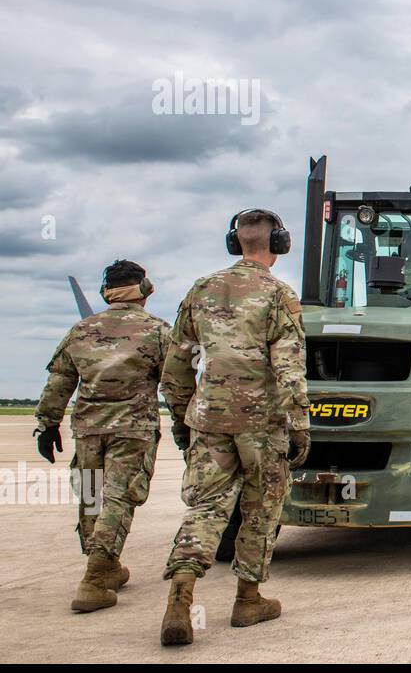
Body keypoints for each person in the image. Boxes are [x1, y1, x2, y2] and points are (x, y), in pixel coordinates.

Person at [158, 209, 311, 647]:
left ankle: (179, 603)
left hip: (210, 419)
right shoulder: (279, 295)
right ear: (279, 244)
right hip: (263, 423)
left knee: (206, 508)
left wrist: (183, 417)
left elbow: (177, 365)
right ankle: (247, 600)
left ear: (235, 243)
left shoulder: (200, 290)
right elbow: (288, 366)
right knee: (261, 508)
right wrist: (299, 422)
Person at [33, 260, 170, 613]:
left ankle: (107, 566)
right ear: (144, 289)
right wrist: (188, 423)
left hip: (88, 431)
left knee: (92, 497)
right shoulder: (156, 331)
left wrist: (47, 425)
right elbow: (176, 383)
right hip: (133, 430)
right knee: (119, 500)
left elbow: (60, 382)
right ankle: (93, 580)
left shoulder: (81, 330)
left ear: (106, 292)